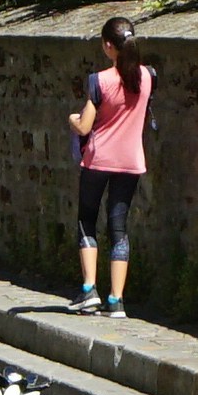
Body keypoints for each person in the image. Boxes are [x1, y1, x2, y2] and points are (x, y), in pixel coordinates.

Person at [69, 19, 156, 316]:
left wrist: (71, 120)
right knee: (118, 227)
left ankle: (88, 289)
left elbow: (84, 126)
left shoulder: (100, 81)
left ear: (109, 46)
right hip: (131, 161)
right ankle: (116, 300)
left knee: (87, 221)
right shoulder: (147, 77)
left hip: (99, 159)